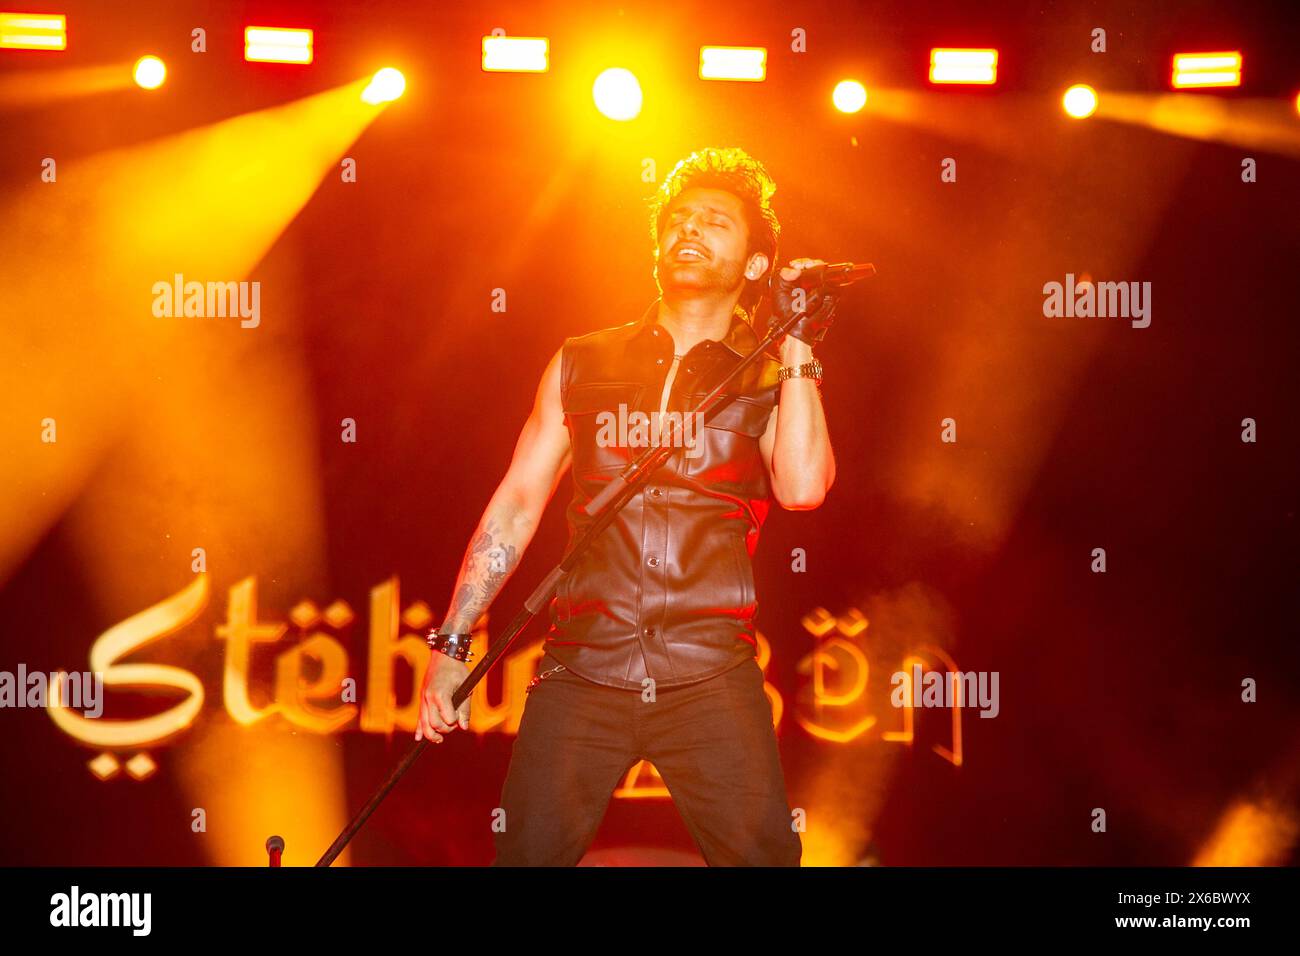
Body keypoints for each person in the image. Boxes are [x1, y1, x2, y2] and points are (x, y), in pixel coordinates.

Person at [417, 146, 840, 865]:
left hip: (711, 674)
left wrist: (798, 340)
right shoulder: (582, 360)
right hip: (582, 671)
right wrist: (454, 643)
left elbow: (802, 488)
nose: (690, 230)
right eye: (678, 219)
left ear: (757, 267)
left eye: (714, 222)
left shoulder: (772, 373)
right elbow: (518, 501)